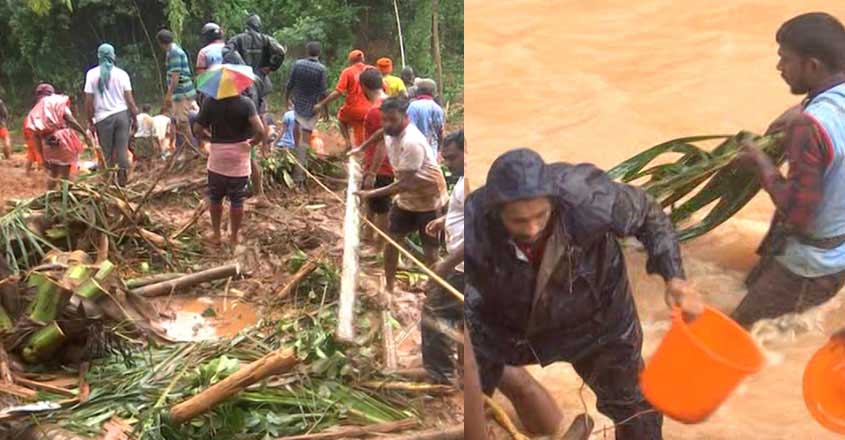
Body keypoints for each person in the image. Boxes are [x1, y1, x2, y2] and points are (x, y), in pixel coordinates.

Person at [464, 148, 703, 438]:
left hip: (598, 321)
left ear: (553, 200)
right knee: (471, 389)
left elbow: (649, 214)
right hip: (510, 326)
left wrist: (674, 277)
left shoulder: (587, 197)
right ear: (496, 212)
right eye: (518, 221)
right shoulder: (473, 225)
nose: (532, 228)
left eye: (540, 215)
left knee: (636, 411)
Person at [733, 13, 845, 330]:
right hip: (838, 245)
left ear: (812, 66)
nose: (779, 68)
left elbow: (798, 214)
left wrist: (761, 163)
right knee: (745, 289)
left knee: (741, 333)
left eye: (785, 59)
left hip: (810, 266)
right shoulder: (820, 111)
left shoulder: (811, 127)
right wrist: (806, 106)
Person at [356, 97, 448, 294]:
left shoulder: (412, 141)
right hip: (407, 200)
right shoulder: (390, 131)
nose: (387, 124)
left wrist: (370, 193)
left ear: (405, 118)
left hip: (429, 201)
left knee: (431, 253)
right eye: (384, 119)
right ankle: (388, 287)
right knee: (392, 241)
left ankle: (439, 292)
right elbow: (381, 134)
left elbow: (403, 184)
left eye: (392, 120)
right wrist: (362, 147)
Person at [193, 92, 265, 248]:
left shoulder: (209, 102)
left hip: (217, 156)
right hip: (239, 157)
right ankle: (233, 237)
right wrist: (252, 143)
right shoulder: (246, 103)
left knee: (216, 197)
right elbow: (260, 130)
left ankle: (217, 234)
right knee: (237, 200)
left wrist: (210, 137)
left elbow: (197, 129)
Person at [421, 130, 465, 384]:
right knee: (461, 318)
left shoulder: (471, 182)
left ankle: (442, 377)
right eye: (445, 158)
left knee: (435, 312)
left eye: (452, 158)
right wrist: (444, 220)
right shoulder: (463, 178)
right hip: (461, 263)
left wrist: (444, 264)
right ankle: (461, 370)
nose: (447, 164)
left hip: (464, 265)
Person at [349, 68, 393, 249]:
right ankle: (369, 236)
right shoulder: (388, 104)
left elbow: (382, 142)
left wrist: (372, 172)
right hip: (379, 163)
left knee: (382, 208)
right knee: (373, 202)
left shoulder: (377, 111)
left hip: (381, 166)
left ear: (363, 87)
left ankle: (379, 246)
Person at [84, 43, 139, 185]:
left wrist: (90, 121)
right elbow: (130, 100)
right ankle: (123, 183)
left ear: (99, 56)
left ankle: (107, 184)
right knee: (122, 151)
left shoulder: (91, 75)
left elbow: (89, 102)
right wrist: (135, 117)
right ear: (113, 56)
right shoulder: (122, 74)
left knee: (106, 154)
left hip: (102, 119)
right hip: (122, 116)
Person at [26, 83, 93, 190]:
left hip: (47, 142)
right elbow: (70, 119)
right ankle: (64, 198)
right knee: (65, 173)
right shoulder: (57, 103)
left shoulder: (35, 111)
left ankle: (49, 196)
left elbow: (36, 137)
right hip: (62, 140)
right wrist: (84, 134)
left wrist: (42, 157)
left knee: (53, 172)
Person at [224, 14, 286, 115]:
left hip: (241, 81)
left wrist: (239, 66)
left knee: (242, 112)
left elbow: (226, 51)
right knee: (261, 113)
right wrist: (271, 67)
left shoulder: (237, 39)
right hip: (261, 80)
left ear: (247, 26)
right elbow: (281, 51)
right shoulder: (265, 39)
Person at [286, 41, 328, 186]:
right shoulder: (321, 69)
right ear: (319, 53)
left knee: (298, 142)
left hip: (298, 106)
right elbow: (323, 92)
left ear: (307, 51)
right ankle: (300, 176)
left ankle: (297, 171)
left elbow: (289, 84)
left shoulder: (298, 65)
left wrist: (286, 101)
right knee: (305, 142)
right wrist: (325, 110)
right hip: (312, 109)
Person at [314, 50, 372, 150]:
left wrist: (322, 103)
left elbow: (338, 92)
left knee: (341, 119)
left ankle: (348, 142)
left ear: (350, 61)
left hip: (353, 109)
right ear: (363, 59)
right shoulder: (372, 70)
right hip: (371, 109)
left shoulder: (348, 72)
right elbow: (383, 88)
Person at [156, 29, 198, 155]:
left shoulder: (174, 53)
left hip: (182, 92)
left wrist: (168, 95)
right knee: (180, 122)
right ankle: (187, 149)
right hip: (182, 91)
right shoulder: (172, 51)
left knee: (182, 122)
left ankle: (193, 150)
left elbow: (175, 77)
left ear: (161, 43)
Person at [406, 79, 445, 157]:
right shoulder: (438, 108)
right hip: (432, 149)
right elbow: (440, 131)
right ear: (434, 93)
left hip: (415, 148)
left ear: (418, 91)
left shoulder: (413, 106)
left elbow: (408, 128)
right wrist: (440, 150)